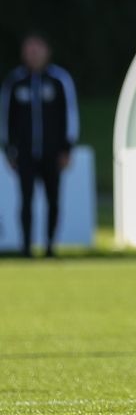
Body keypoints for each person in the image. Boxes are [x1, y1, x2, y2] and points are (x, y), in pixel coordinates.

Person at [1, 34, 78, 258]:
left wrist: (67, 148)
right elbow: (6, 117)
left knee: (53, 200)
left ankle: (50, 246)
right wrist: (8, 148)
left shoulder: (59, 80)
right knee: (25, 201)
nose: (33, 54)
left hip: (52, 153)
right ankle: (26, 248)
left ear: (47, 51)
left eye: (37, 48)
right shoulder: (15, 82)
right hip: (25, 153)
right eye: (29, 49)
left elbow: (71, 115)